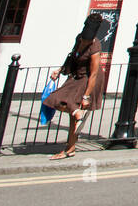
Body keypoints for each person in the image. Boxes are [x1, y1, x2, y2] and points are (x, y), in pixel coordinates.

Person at [41, 14, 105, 158]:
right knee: (53, 99)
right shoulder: (79, 38)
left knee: (72, 109)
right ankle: (76, 113)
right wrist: (60, 70)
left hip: (89, 78)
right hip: (77, 75)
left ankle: (70, 148)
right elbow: (72, 56)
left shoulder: (95, 45)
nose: (86, 41)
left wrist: (86, 96)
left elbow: (94, 73)